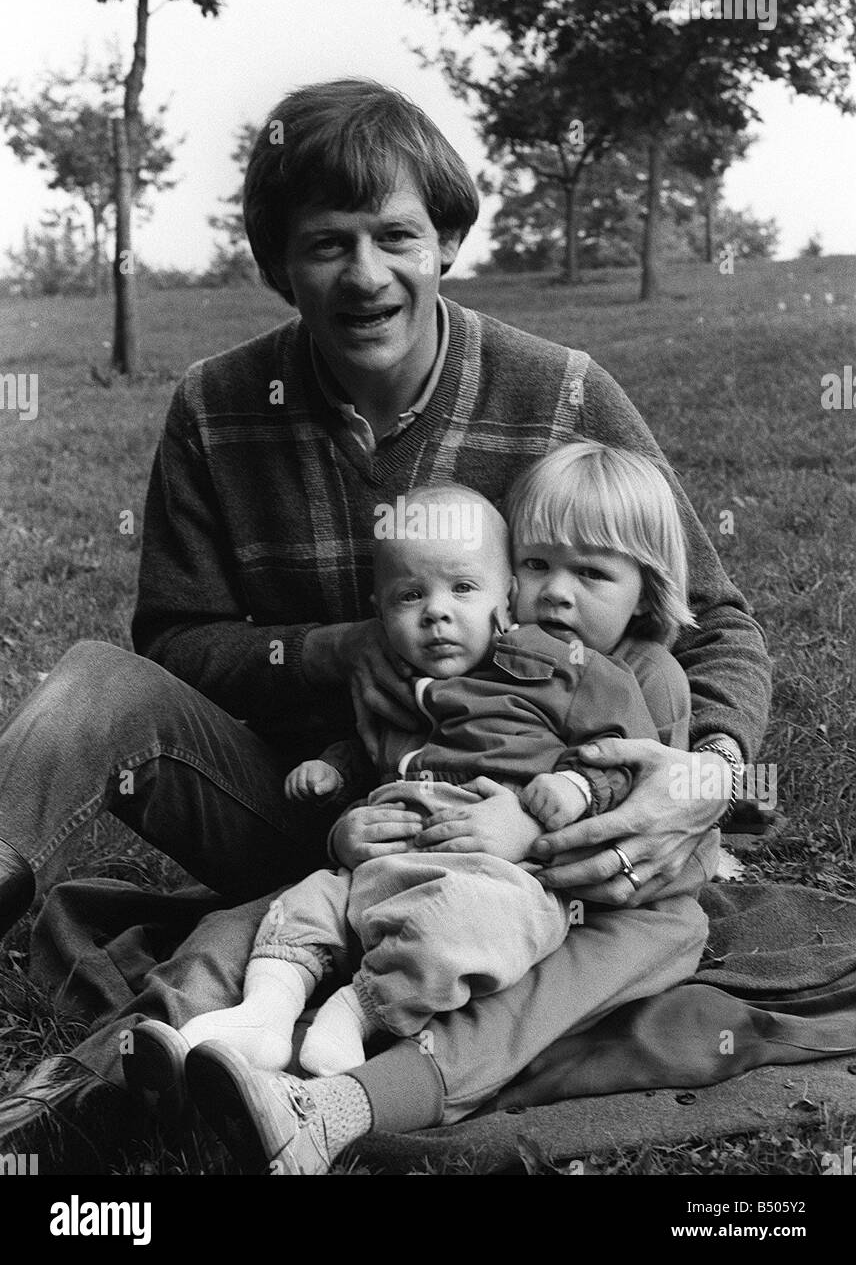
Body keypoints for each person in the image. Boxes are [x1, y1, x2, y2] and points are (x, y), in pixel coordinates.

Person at [0, 78, 770, 1168]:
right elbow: (173, 638)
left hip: (513, 833)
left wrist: (706, 772)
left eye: (395, 234)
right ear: (279, 264)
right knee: (87, 684)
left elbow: (718, 621)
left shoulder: (560, 393)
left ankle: (279, 1065)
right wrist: (334, 651)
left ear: (446, 240)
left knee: (499, 933)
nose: (365, 274)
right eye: (326, 243)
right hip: (307, 797)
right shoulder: (218, 408)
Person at [126, 458, 712, 1143]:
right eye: (535, 564)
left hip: (571, 905)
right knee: (260, 921)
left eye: (592, 574)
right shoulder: (478, 663)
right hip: (406, 870)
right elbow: (386, 757)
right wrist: (348, 829)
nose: (555, 595)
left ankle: (330, 1107)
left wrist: (528, 827)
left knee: (488, 979)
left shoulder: (647, 678)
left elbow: (656, 844)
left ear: (645, 590)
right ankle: (171, 1055)